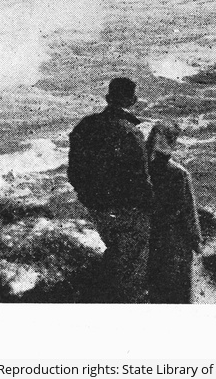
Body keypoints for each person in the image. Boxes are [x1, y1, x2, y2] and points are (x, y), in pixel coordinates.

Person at [67, 77, 154, 302]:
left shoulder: (85, 125)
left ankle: (104, 294)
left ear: (107, 98)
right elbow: (141, 179)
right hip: (125, 207)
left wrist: (86, 196)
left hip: (95, 206)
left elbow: (74, 171)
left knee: (116, 249)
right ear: (133, 100)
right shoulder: (131, 133)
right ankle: (127, 301)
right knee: (135, 254)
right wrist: (151, 206)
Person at [146, 121, 202, 304]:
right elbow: (188, 211)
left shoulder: (143, 170)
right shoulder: (179, 174)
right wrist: (196, 240)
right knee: (179, 289)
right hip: (175, 239)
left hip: (150, 236)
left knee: (155, 288)